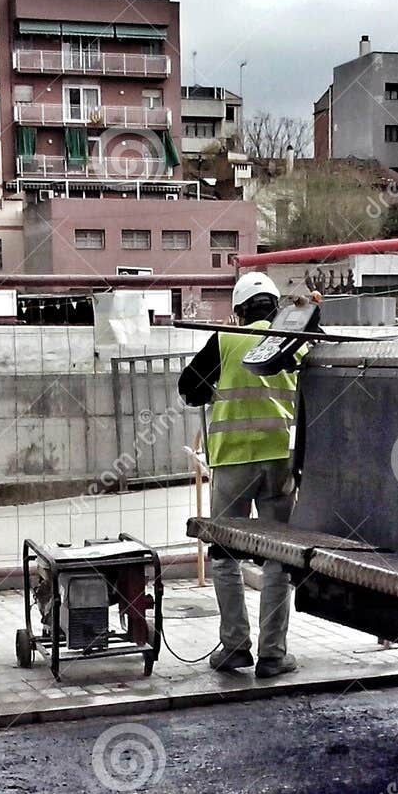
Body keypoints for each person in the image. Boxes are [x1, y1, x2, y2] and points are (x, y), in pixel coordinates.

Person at [177, 272, 306, 678]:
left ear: (238, 311)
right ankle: (273, 655)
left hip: (232, 462)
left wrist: (213, 390)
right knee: (278, 558)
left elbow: (189, 387)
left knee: (224, 554)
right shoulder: (293, 341)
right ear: (275, 306)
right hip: (280, 461)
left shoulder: (226, 339)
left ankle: (234, 646)